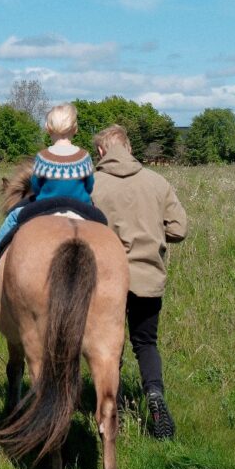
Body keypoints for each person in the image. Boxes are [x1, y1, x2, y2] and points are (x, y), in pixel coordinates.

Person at [91, 124, 187, 439]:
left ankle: (113, 406)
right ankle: (155, 396)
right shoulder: (157, 182)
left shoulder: (92, 184)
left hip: (105, 281)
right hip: (147, 276)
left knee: (110, 346)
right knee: (145, 343)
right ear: (129, 148)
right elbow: (179, 229)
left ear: (101, 151)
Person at [0, 102, 95, 272]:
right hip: (81, 207)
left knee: (14, 216)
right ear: (75, 129)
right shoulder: (84, 156)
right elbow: (89, 185)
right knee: (103, 223)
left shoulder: (43, 157)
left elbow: (36, 184)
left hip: (46, 207)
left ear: (48, 128)